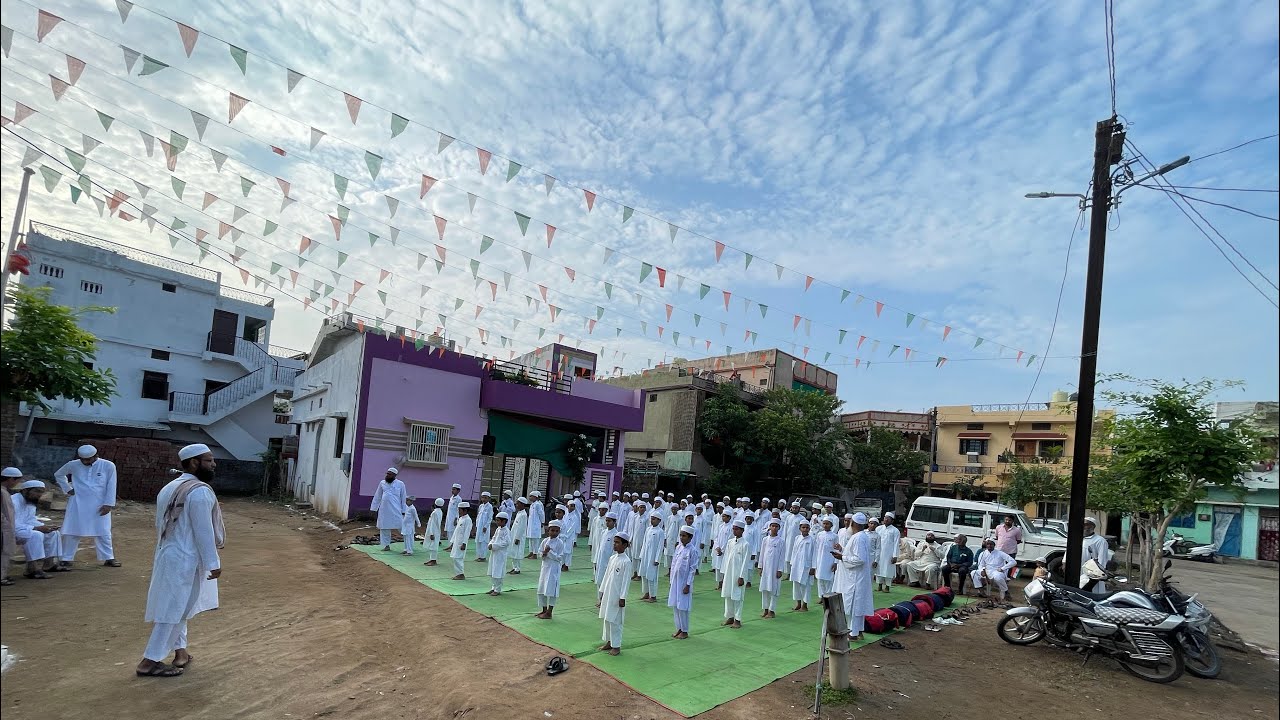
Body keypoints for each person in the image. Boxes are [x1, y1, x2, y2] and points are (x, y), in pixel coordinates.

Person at [136, 443, 223, 678]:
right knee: (174, 609)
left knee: (179, 606)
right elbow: (203, 531)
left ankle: (180, 652)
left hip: (168, 553)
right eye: (209, 460)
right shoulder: (199, 491)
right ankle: (149, 661)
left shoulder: (170, 487)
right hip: (186, 558)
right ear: (194, 462)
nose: (214, 464)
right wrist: (213, 563)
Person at [55, 444, 120, 568]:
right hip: (77, 503)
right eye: (83, 460)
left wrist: (109, 504)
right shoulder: (73, 464)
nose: (85, 462)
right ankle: (66, 559)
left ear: (96, 456)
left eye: (88, 459)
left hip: (100, 504)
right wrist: (67, 489)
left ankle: (109, 558)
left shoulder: (108, 465)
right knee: (72, 531)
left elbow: (112, 485)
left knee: (103, 531)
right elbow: (58, 474)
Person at [12, 479, 64, 579]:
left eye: (41, 492)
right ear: (25, 491)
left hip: (24, 528)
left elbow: (30, 519)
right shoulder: (14, 501)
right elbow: (12, 523)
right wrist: (36, 528)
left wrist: (45, 527)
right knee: (36, 535)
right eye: (36, 491)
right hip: (11, 530)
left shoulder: (30, 502)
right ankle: (32, 569)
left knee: (53, 533)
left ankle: (49, 564)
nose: (39, 495)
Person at [832, 513, 872, 641]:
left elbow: (860, 559)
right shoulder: (860, 536)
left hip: (855, 578)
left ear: (853, 524)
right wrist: (843, 550)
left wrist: (842, 557)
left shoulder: (859, 538)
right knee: (857, 605)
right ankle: (858, 631)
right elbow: (854, 554)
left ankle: (853, 633)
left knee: (854, 605)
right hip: (856, 577)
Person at [597, 532, 633, 655]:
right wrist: (601, 591)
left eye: (617, 542)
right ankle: (609, 641)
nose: (615, 545)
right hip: (608, 593)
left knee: (615, 620)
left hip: (617, 596)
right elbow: (606, 576)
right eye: (614, 542)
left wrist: (622, 597)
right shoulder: (612, 558)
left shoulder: (626, 562)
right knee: (607, 618)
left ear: (625, 545)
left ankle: (616, 646)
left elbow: (625, 582)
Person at [719, 519, 751, 628]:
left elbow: (746, 562)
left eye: (736, 529)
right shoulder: (730, 542)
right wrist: (723, 573)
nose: (734, 531)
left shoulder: (745, 544)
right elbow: (726, 558)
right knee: (728, 595)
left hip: (738, 575)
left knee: (738, 596)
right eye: (733, 528)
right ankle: (730, 617)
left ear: (742, 530)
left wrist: (741, 576)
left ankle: (737, 619)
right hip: (729, 573)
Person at [668, 525, 696, 639]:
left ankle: (685, 630)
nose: (681, 538)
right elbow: (674, 563)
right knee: (675, 605)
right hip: (675, 581)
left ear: (690, 537)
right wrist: (671, 579)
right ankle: (678, 628)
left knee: (683, 607)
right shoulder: (678, 548)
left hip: (684, 583)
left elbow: (692, 569)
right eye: (680, 535)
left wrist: (688, 584)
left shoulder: (692, 550)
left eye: (684, 536)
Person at [535, 520, 567, 619]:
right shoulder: (545, 541)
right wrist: (544, 553)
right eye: (552, 530)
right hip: (545, 567)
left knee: (552, 590)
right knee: (541, 588)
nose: (554, 533)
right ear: (548, 530)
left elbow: (560, 558)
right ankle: (544, 609)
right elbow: (540, 553)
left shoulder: (560, 543)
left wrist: (549, 552)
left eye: (557, 531)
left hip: (554, 569)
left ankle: (550, 612)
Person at [370, 468, 406, 551]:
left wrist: (404, 511)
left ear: (394, 475)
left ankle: (408, 546)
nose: (387, 475)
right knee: (384, 527)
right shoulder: (382, 483)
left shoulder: (400, 484)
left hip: (396, 509)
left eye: (389, 474)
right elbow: (377, 496)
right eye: (387, 473)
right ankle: (386, 546)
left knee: (402, 527)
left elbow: (403, 497)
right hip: (384, 510)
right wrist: (374, 508)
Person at [758, 519, 785, 618]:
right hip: (766, 568)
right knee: (765, 589)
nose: (774, 528)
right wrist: (760, 567)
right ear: (769, 527)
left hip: (775, 569)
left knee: (774, 589)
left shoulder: (781, 541)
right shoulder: (765, 540)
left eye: (776, 526)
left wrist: (780, 569)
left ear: (779, 528)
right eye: (772, 526)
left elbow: (782, 556)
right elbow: (762, 554)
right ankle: (765, 609)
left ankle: (772, 610)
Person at [789, 519, 817, 612]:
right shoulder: (797, 538)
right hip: (796, 564)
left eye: (807, 527)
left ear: (809, 529)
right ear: (800, 528)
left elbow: (814, 554)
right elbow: (794, 551)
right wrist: (792, 563)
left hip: (807, 566)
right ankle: (798, 603)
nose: (805, 529)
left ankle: (805, 605)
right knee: (796, 585)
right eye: (803, 527)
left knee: (806, 586)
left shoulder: (812, 540)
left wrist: (813, 567)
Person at [1081, 517, 1114, 591]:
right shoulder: (1079, 538)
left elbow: (1102, 561)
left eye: (1086, 524)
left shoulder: (1100, 541)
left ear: (1092, 526)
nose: (1083, 526)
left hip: (1091, 575)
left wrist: (1096, 575)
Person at [639, 512, 665, 602]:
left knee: (652, 576)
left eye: (654, 519)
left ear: (659, 520)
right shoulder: (648, 529)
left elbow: (660, 546)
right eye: (651, 518)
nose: (652, 520)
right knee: (644, 574)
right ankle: (646, 593)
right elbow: (645, 542)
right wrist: (642, 555)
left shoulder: (660, 532)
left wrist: (657, 559)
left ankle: (653, 596)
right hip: (645, 556)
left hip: (653, 557)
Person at [445, 502, 472, 579]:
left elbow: (467, 533)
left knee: (459, 558)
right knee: (455, 557)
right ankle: (458, 573)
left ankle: (461, 574)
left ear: (465, 510)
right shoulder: (460, 519)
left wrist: (464, 543)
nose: (459, 511)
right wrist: (452, 542)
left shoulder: (468, 520)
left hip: (461, 542)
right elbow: (456, 531)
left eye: (460, 510)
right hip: (457, 541)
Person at [486, 512, 511, 595]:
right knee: (493, 570)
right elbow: (493, 538)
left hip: (500, 553)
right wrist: (490, 544)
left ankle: (497, 589)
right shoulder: (498, 529)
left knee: (498, 571)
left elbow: (506, 542)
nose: (496, 522)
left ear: (504, 521)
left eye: (498, 520)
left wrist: (494, 546)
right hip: (494, 553)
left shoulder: (506, 531)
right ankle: (493, 587)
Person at [1, 467, 18, 585]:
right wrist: (5, 523)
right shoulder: (2, 492)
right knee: (3, 552)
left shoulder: (4, 491)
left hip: (6, 527)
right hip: (3, 528)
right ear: (11, 479)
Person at [874, 513, 899, 592]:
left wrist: (895, 556)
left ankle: (887, 587)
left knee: (888, 570)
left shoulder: (895, 531)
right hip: (879, 553)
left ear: (892, 520)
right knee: (879, 569)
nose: (886, 520)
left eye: (888, 518)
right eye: (885, 518)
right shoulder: (878, 528)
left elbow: (896, 544)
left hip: (889, 554)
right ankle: (879, 585)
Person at [814, 517, 838, 597]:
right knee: (820, 579)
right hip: (820, 560)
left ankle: (828, 597)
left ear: (831, 525)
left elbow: (837, 550)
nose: (825, 525)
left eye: (827, 524)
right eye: (824, 523)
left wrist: (835, 562)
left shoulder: (834, 536)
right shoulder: (820, 534)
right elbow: (816, 548)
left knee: (829, 579)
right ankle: (821, 597)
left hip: (829, 560)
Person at [594, 512, 619, 587]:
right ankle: (600, 598)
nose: (607, 523)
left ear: (614, 522)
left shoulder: (615, 534)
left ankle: (604, 598)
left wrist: (612, 563)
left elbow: (615, 551)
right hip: (600, 560)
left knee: (607, 582)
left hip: (608, 561)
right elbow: (599, 547)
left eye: (609, 521)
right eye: (606, 521)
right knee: (599, 580)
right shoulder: (603, 532)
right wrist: (596, 560)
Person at [711, 509, 733, 589]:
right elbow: (716, 538)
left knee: (725, 568)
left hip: (726, 551)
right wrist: (717, 547)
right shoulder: (720, 526)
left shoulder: (731, 527)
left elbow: (729, 540)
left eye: (724, 516)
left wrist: (722, 550)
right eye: (722, 516)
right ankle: (720, 584)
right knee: (718, 568)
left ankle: (725, 584)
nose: (722, 517)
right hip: (718, 550)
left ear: (729, 517)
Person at [508, 498, 529, 574]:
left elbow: (522, 528)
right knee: (513, 551)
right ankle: (514, 567)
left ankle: (517, 568)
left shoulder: (523, 515)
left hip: (518, 537)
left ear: (522, 504)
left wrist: (518, 538)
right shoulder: (519, 513)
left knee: (518, 552)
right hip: (514, 535)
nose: (516, 505)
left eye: (518, 503)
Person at [423, 498, 444, 566]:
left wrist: (431, 533)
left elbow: (432, 523)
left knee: (433, 546)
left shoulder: (434, 512)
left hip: (433, 531)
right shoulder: (440, 511)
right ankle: (432, 559)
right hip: (436, 530)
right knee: (433, 545)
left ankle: (433, 560)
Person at [742, 512, 761, 587]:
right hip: (743, 549)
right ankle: (743, 579)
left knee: (749, 567)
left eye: (750, 519)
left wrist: (754, 553)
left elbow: (756, 541)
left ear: (753, 520)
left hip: (751, 550)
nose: (748, 520)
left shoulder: (754, 529)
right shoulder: (743, 528)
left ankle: (749, 581)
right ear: (745, 519)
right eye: (747, 518)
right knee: (743, 566)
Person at [474, 492, 494, 562]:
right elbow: (478, 517)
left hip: (485, 527)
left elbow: (490, 518)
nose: (484, 499)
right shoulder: (481, 506)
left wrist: (486, 526)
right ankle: (479, 555)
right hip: (479, 526)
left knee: (484, 541)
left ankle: (483, 556)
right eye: (482, 497)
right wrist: (476, 525)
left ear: (489, 498)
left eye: (485, 497)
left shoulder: (490, 506)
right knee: (478, 541)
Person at [525, 491, 545, 558]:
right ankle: (531, 552)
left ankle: (535, 553)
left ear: (535, 497)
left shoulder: (538, 504)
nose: (530, 497)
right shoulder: (532, 504)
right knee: (531, 538)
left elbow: (541, 514)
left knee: (535, 539)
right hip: (531, 524)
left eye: (531, 496)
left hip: (536, 524)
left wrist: (542, 522)